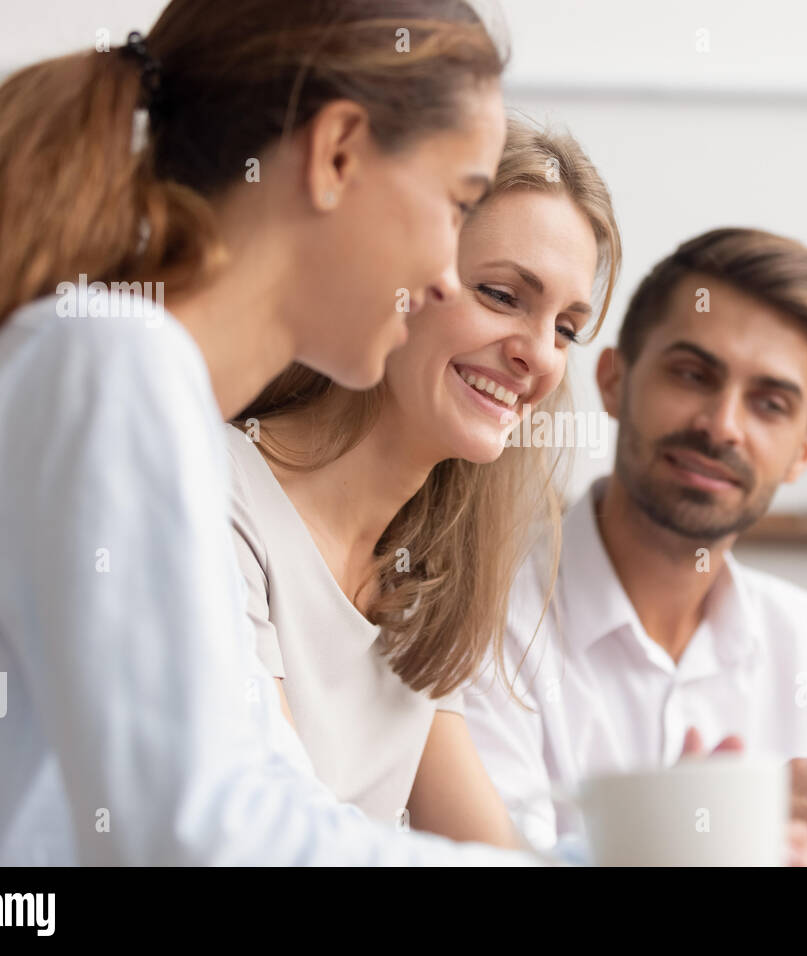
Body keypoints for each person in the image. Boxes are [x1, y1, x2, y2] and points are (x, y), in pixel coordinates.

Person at [0, 0, 534, 865]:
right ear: (338, 153)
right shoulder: (110, 361)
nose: (445, 277)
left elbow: (270, 808)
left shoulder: (138, 385)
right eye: (457, 203)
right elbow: (203, 837)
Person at [457, 227, 807, 864]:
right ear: (613, 381)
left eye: (769, 404)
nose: (721, 426)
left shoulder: (795, 633)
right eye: (693, 374)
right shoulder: (476, 615)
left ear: (806, 452)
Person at [223, 117, 618, 841]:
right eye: (502, 295)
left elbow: (495, 854)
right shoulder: (220, 490)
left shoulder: (424, 578)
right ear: (400, 273)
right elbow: (275, 837)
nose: (539, 356)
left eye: (565, 327)